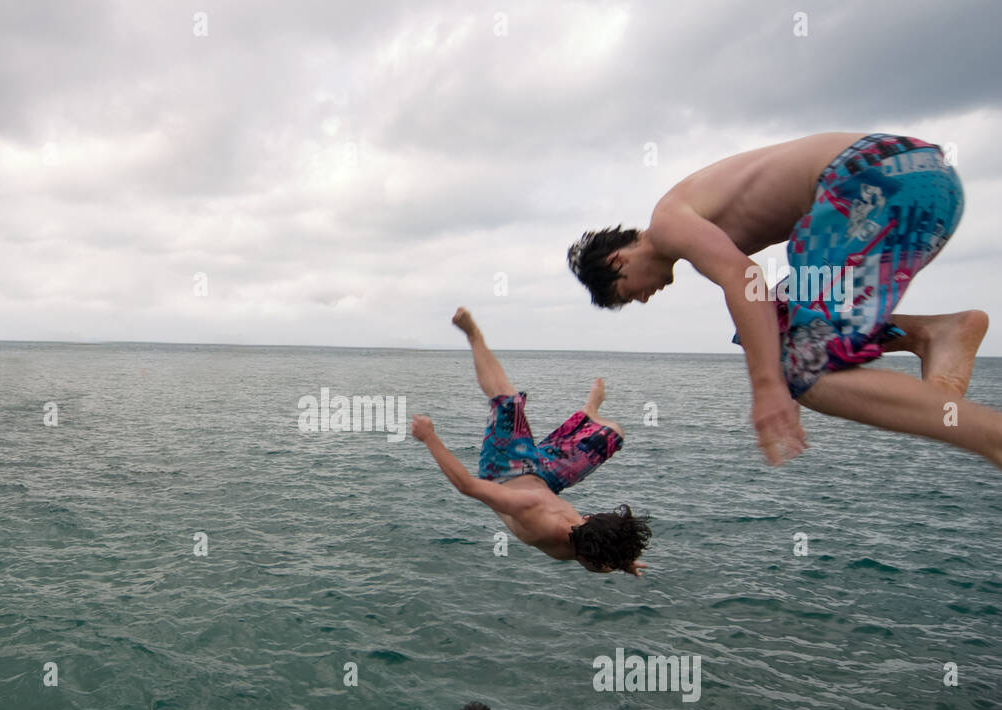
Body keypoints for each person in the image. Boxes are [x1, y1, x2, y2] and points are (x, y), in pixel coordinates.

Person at [569, 132, 1002, 469]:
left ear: (617, 258)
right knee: (774, 325)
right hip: (926, 179)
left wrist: (768, 389)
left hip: (868, 180)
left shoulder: (665, 223)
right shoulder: (694, 213)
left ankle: (990, 435)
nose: (643, 299)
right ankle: (935, 333)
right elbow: (755, 296)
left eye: (628, 293)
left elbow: (744, 279)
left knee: (802, 372)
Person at [412, 307, 650, 574]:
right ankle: (589, 412)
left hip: (504, 470)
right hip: (546, 477)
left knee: (509, 401)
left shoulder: (533, 513)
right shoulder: (592, 548)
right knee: (612, 434)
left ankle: (473, 334)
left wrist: (429, 437)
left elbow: (467, 486)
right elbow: (603, 555)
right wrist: (624, 562)